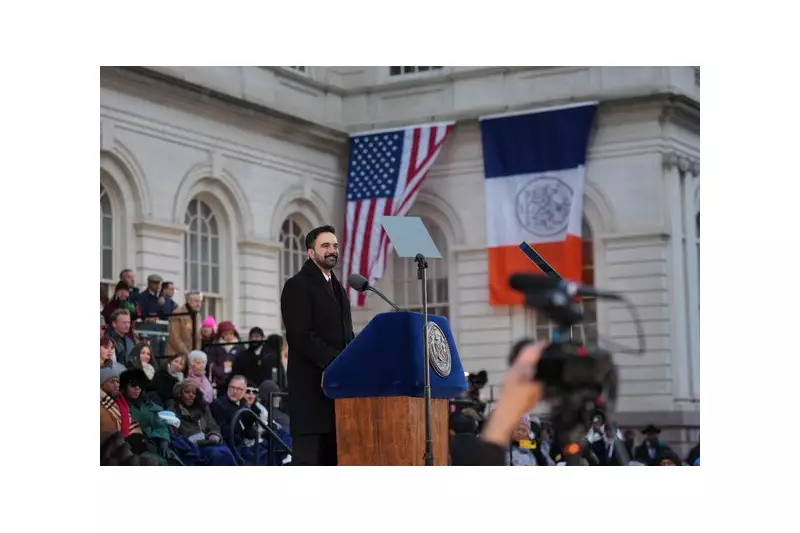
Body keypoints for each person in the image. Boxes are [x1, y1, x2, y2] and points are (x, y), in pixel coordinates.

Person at [280, 225, 354, 466]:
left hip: (337, 392)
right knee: (310, 461)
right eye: (325, 246)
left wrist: (355, 358)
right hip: (311, 390)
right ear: (311, 253)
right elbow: (300, 336)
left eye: (335, 245)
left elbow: (346, 334)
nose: (332, 250)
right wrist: (338, 363)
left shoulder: (339, 288)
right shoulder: (297, 285)